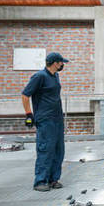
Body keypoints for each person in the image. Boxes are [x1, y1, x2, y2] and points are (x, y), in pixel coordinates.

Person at [22, 52, 69, 192]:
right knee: (46, 149)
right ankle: (40, 181)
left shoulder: (55, 76)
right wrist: (29, 114)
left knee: (58, 150)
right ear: (55, 62)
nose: (63, 65)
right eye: (61, 62)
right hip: (45, 119)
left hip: (57, 118)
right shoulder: (39, 76)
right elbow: (25, 95)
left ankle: (53, 179)